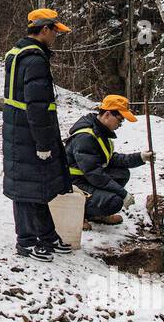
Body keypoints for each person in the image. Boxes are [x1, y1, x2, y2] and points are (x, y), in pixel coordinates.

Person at [2, 8, 73, 262]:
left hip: (19, 129)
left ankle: (46, 235)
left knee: (36, 185)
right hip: (28, 133)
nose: (56, 35)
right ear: (44, 29)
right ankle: (27, 241)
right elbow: (38, 105)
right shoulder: (34, 60)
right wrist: (43, 142)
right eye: (55, 30)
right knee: (25, 189)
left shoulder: (19, 53)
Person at [65, 95, 154, 225]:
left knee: (122, 174)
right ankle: (78, 213)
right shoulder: (85, 137)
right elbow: (94, 174)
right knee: (115, 202)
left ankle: (96, 213)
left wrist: (140, 157)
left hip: (86, 178)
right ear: (107, 114)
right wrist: (122, 194)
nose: (120, 125)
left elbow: (110, 158)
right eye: (120, 120)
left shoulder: (99, 131)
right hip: (74, 183)